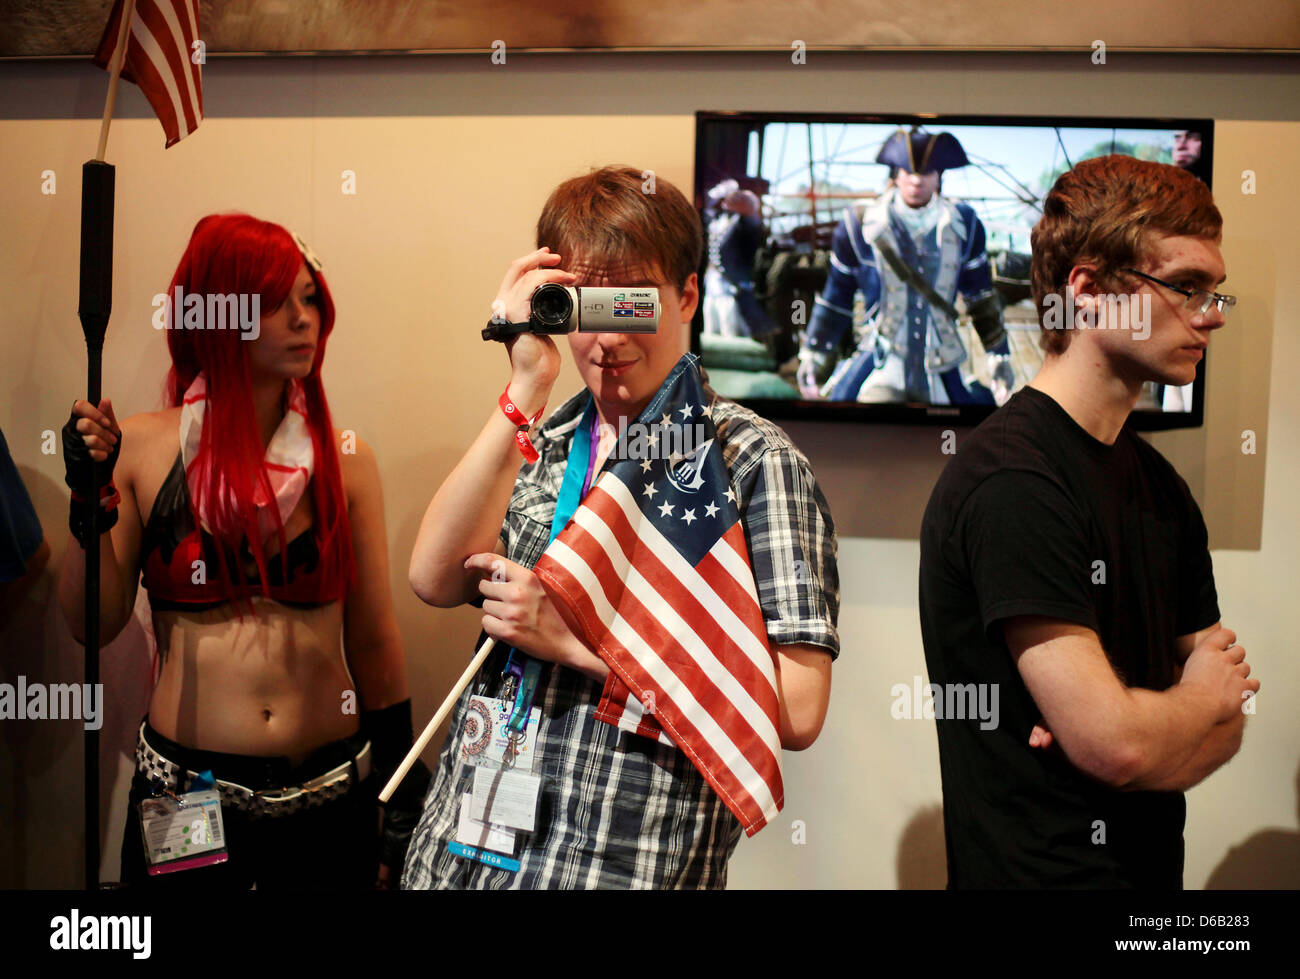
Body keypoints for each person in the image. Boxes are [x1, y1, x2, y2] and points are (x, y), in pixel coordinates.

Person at [403, 165, 839, 889]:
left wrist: (573, 641)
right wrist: (525, 384)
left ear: (688, 295)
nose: (605, 337)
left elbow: (795, 710)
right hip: (464, 854)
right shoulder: (544, 440)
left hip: (621, 865)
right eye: (580, 305)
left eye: (630, 304)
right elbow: (433, 576)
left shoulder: (752, 461)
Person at [57, 214, 427, 890]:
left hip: (330, 801)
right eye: (276, 300)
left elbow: (374, 641)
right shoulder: (140, 448)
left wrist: (403, 782)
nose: (303, 318)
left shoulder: (346, 461)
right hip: (184, 803)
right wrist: (87, 499)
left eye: (310, 297)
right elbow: (93, 621)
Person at [918, 155, 1257, 888]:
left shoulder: (1163, 488)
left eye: (1215, 289)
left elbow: (1229, 723)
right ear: (1090, 291)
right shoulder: (1012, 479)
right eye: (1187, 287)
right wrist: (1183, 705)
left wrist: (1145, 725)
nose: (1213, 313)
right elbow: (1129, 742)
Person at [797, 128, 1013, 405]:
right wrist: (814, 353)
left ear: (938, 176)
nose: (915, 180)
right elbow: (837, 295)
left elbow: (980, 296)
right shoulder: (858, 223)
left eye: (926, 172)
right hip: (881, 362)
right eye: (907, 171)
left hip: (942, 362)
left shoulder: (966, 223)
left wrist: (998, 355)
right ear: (895, 174)